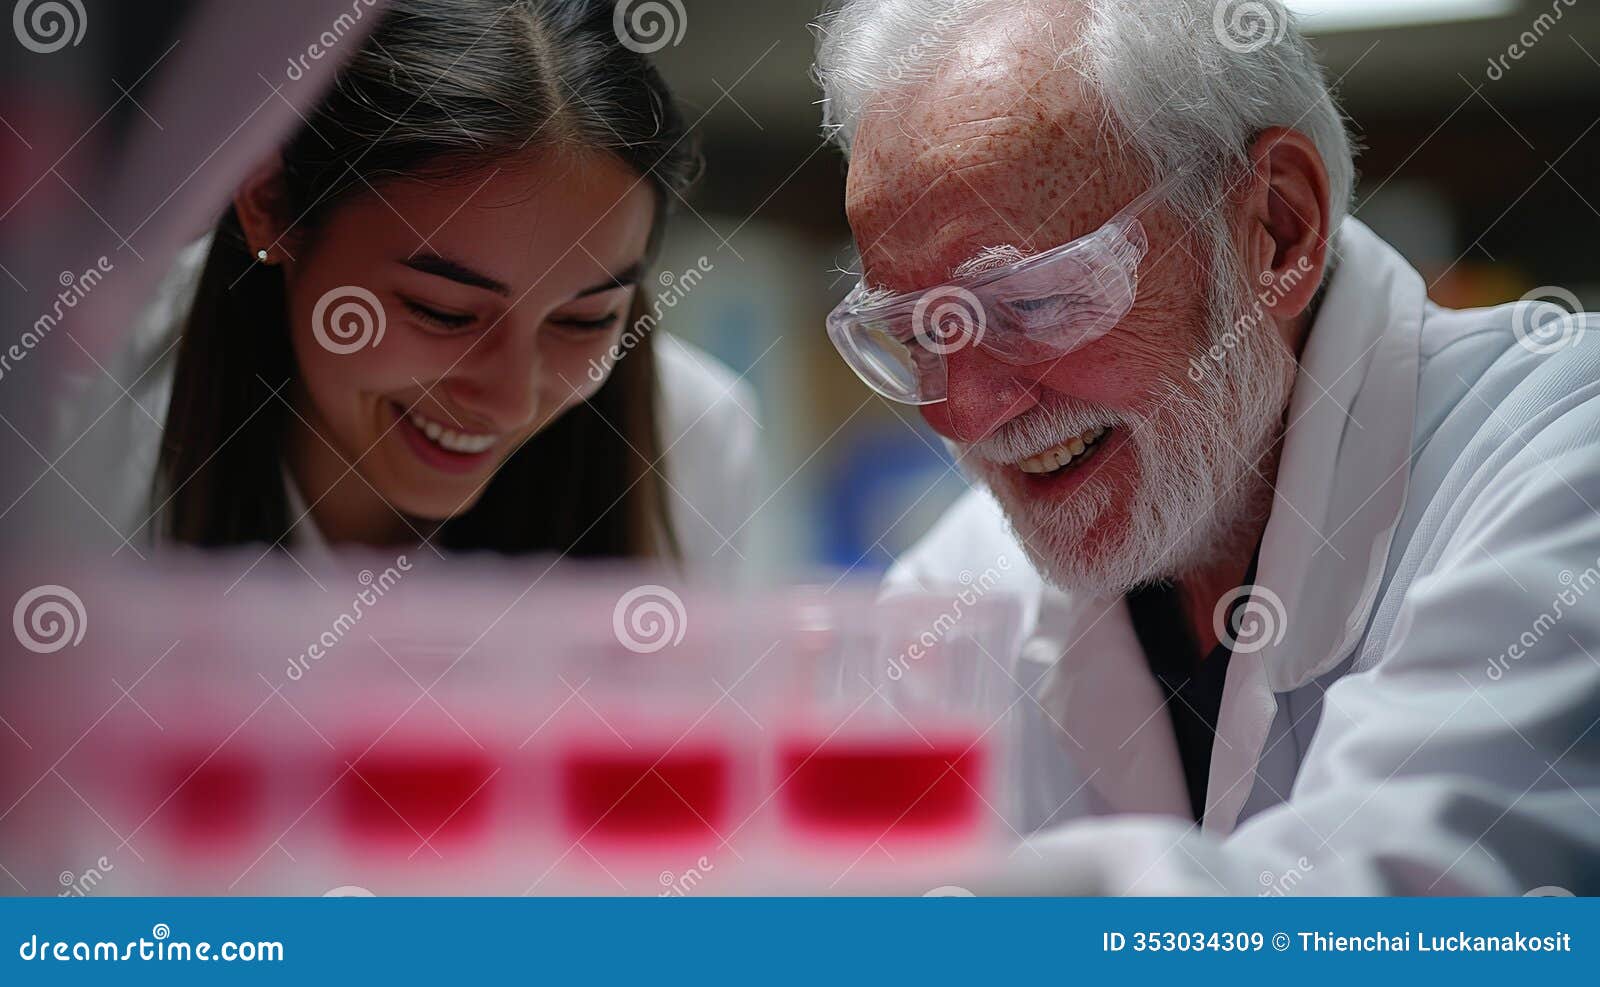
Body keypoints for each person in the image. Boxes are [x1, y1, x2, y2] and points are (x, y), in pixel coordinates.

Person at [817, 0, 1600, 894]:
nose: (960, 412)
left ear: (1278, 228)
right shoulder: (960, 590)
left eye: (1031, 304)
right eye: (917, 336)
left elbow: (1419, 910)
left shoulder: (1560, 441)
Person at [66, 0, 756, 568]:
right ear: (272, 204)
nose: (510, 400)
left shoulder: (692, 443)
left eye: (587, 319)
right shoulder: (73, 423)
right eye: (444, 312)